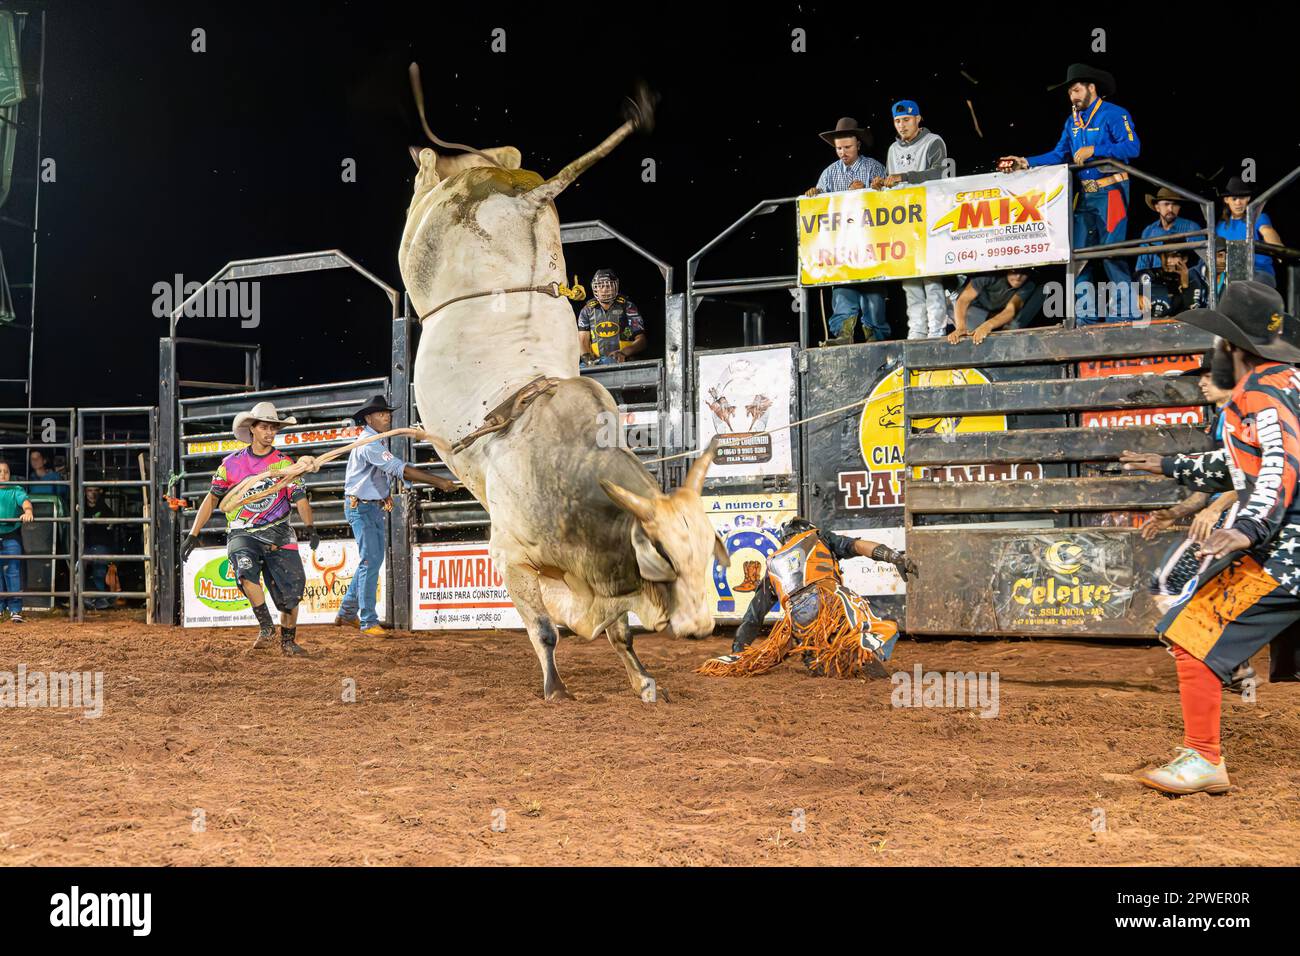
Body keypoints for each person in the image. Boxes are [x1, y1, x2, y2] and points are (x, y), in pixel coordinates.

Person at [1120, 281, 1300, 795]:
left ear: (1231, 347)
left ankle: (1203, 757)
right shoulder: (1286, 383)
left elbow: (1278, 466)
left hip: (1288, 551)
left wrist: (1246, 528)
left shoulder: (1262, 394)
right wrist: (1170, 464)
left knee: (1193, 633)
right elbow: (1248, 461)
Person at [998, 63, 1140, 324]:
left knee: (1111, 253)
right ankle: (1086, 316)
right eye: (1070, 92)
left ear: (1091, 88)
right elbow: (1058, 154)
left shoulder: (1114, 114)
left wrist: (1096, 150)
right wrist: (1025, 161)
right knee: (1078, 256)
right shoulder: (1071, 122)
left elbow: (1132, 147)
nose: (1072, 96)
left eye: (1076, 90)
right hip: (1085, 196)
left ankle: (1126, 314)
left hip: (1111, 192)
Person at [698, 517, 915, 678]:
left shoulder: (773, 563)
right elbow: (857, 546)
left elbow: (753, 617)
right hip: (828, 598)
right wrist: (893, 556)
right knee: (875, 629)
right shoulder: (818, 537)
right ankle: (862, 651)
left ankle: (823, 660)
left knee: (816, 659)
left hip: (798, 617)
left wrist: (738, 651)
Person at [182, 401, 317, 656]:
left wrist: (310, 526)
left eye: (273, 428)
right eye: (265, 427)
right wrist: (193, 533)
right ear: (252, 429)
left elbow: (299, 496)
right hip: (243, 531)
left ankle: (288, 642)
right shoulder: (232, 464)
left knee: (292, 591)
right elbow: (212, 498)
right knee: (244, 568)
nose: (269, 433)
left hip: (279, 531)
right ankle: (267, 626)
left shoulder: (285, 464)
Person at [337, 393, 457, 636]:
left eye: (388, 413)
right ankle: (367, 621)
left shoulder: (375, 440)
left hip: (368, 505)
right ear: (369, 418)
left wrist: (382, 494)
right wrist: (437, 481)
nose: (387, 417)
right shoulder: (370, 443)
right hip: (361, 507)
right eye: (382, 413)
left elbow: (376, 473)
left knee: (371, 560)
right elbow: (397, 468)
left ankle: (348, 612)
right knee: (370, 561)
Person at [807, 117, 890, 344]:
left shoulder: (873, 167)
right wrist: (816, 194)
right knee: (843, 289)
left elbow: (888, 200)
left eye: (847, 147)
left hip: (869, 241)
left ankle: (876, 336)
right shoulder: (829, 173)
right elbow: (820, 205)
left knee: (872, 292)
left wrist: (868, 190)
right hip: (841, 243)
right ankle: (843, 334)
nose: (843, 152)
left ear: (858, 145)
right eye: (839, 148)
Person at [872, 100, 949, 339]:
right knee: (910, 280)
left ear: (918, 119)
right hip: (904, 220)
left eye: (906, 120)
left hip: (930, 216)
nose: (902, 125)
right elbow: (891, 180)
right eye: (897, 121)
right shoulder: (892, 149)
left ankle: (937, 329)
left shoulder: (933, 141)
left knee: (932, 278)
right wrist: (880, 184)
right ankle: (916, 330)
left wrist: (903, 176)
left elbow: (939, 172)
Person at [1217, 177, 1284, 289]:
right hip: (1231, 277)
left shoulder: (1258, 217)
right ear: (1226, 200)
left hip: (1260, 273)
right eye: (1234, 198)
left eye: (1242, 197)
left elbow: (1267, 231)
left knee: (1245, 288)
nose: (1238, 203)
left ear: (1248, 198)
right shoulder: (1220, 227)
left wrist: (1278, 249)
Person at [946, 270, 1037, 345]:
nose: (1018, 277)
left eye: (1024, 272)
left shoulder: (1029, 285)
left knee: (1013, 326)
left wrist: (987, 325)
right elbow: (963, 300)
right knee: (969, 337)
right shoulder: (989, 275)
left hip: (996, 314)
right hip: (973, 309)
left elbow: (1010, 310)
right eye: (1014, 271)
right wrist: (960, 328)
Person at [576, 269, 646, 366]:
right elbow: (583, 341)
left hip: (626, 360)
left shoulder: (628, 306)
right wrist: (588, 360)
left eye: (608, 285)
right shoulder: (587, 310)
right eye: (600, 286)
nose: (604, 289)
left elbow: (641, 341)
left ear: (615, 287)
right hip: (596, 362)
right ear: (595, 288)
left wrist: (623, 353)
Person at [1135, 187, 1201, 272]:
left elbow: (1201, 264)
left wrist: (1187, 280)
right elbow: (1142, 266)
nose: (1170, 209)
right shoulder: (1149, 231)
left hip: (1185, 281)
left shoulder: (1192, 228)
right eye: (1166, 204)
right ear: (1157, 207)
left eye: (1175, 204)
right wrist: (1144, 283)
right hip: (1155, 281)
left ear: (1179, 207)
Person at [0, 461, 34, 624]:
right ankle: (0, 608)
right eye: (0, 471)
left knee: (12, 572)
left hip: (11, 536)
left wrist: (28, 511)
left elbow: (25, 502)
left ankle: (15, 610)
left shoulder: (16, 489)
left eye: (6, 471)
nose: (3, 474)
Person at [1136, 248, 1209, 317]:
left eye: (1174, 256)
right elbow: (1127, 294)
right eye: (1165, 255)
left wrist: (1185, 287)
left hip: (1175, 328)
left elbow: (1191, 315)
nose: (1168, 261)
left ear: (1184, 259)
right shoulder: (1146, 275)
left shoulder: (1193, 281)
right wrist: (1135, 297)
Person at [81, 485, 115, 611]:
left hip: (100, 545)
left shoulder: (105, 510)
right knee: (78, 569)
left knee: (99, 571)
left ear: (100, 492)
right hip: (84, 545)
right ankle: (86, 599)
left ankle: (99, 600)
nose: (92, 494)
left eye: (95, 490)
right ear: (85, 492)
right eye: (90, 490)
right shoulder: (80, 508)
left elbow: (110, 526)